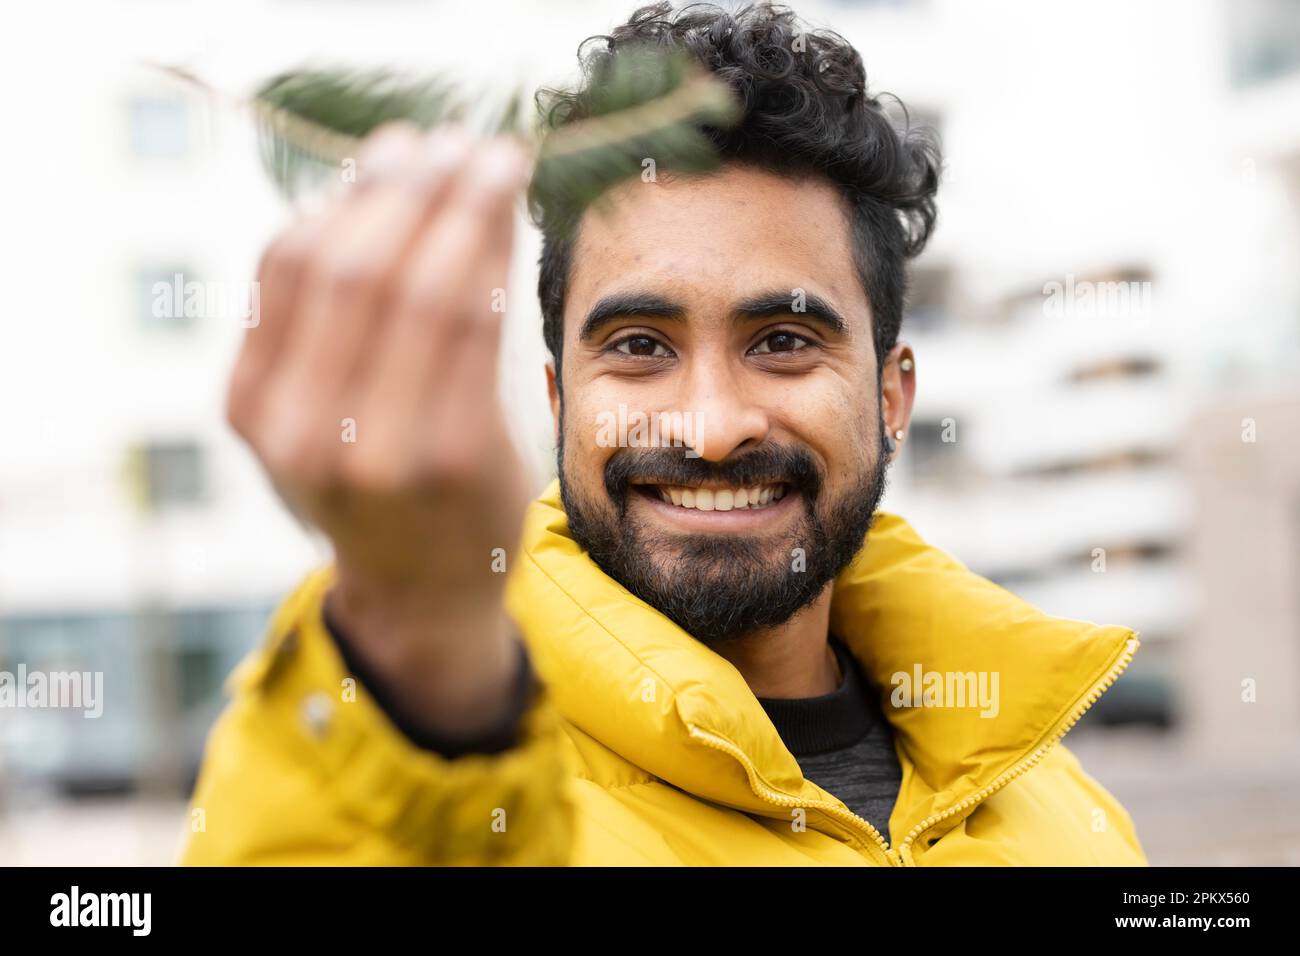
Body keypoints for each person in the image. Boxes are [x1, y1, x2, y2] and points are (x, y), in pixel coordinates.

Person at [182, 1, 1146, 866]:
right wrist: (415, 654)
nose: (714, 427)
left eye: (783, 341)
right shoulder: (446, 765)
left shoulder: (1065, 815)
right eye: (641, 346)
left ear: (893, 399)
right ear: (558, 399)